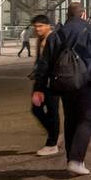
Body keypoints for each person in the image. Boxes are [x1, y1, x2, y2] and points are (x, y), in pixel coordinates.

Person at [30, 2, 91, 176]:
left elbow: (44, 64)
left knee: (70, 120)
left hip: (65, 83)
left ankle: (72, 158)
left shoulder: (56, 35)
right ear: (83, 15)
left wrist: (39, 88)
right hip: (88, 82)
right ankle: (76, 160)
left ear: (68, 15)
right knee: (88, 120)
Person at [27, 14, 60, 155]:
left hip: (51, 82)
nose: (37, 29)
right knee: (36, 109)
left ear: (48, 26)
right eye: (36, 26)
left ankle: (52, 143)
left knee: (52, 111)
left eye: (40, 26)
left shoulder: (53, 39)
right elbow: (40, 61)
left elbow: (51, 63)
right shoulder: (41, 39)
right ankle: (54, 134)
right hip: (41, 80)